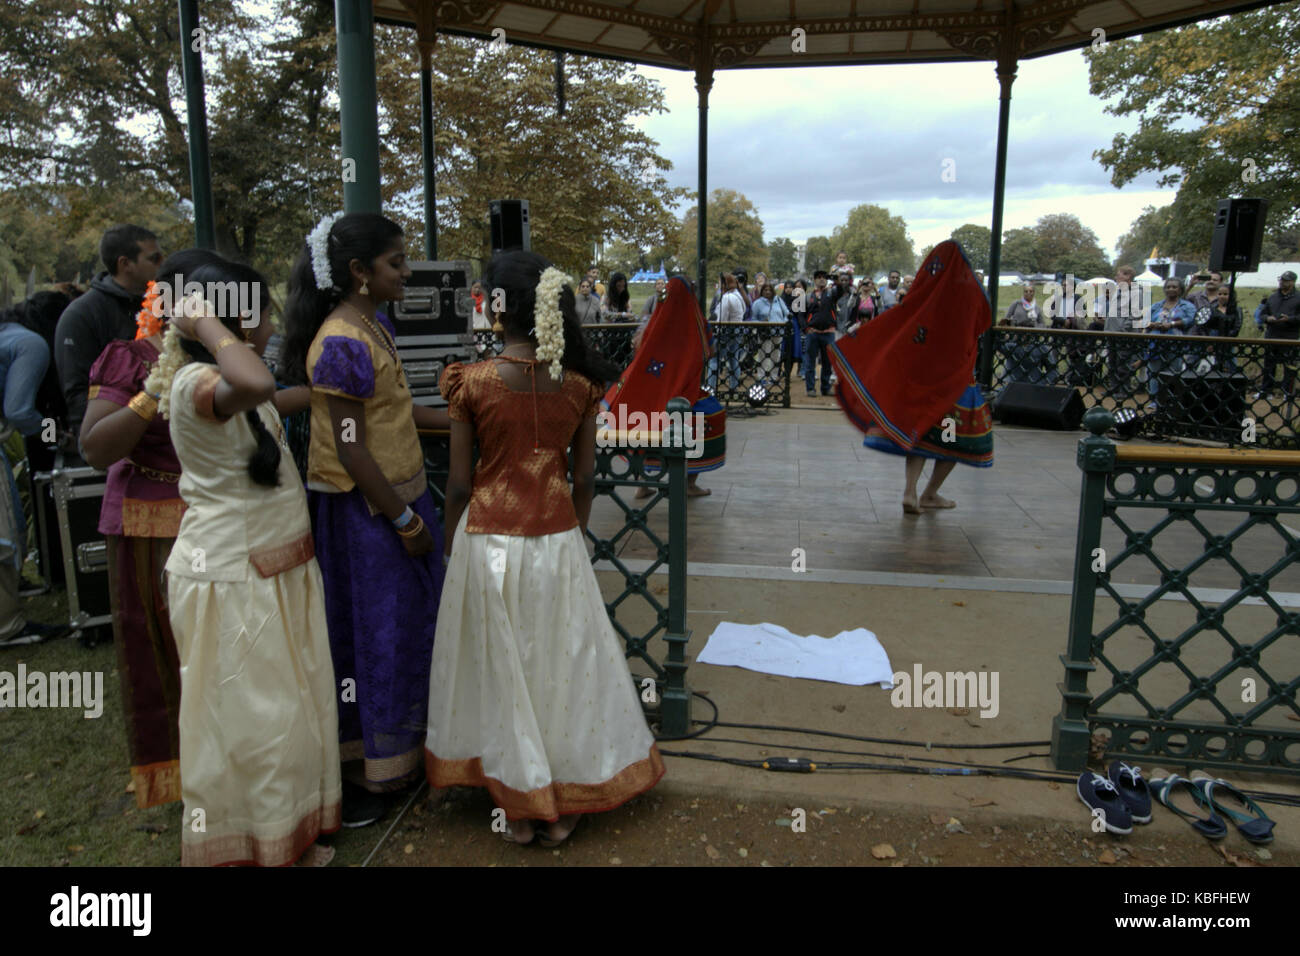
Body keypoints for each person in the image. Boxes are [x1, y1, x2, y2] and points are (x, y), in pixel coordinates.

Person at [428, 252, 665, 846]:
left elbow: (458, 483)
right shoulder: (580, 385)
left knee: (503, 667)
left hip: (486, 542)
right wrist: (573, 531)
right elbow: (585, 480)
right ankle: (564, 797)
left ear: (497, 308)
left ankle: (519, 798)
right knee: (562, 664)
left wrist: (454, 546)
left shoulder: (471, 382)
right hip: (557, 538)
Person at [146, 258, 340, 867]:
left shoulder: (222, 384)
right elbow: (255, 385)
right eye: (262, 311)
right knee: (260, 725)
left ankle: (283, 837)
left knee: (287, 714)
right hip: (232, 580)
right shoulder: (195, 383)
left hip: (270, 572)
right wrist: (205, 323)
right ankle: (256, 847)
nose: (272, 323)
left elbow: (267, 398)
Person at [282, 212, 448, 826]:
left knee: (405, 631)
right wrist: (403, 520)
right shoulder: (343, 339)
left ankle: (401, 758)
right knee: (374, 638)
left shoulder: (372, 325)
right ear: (359, 272)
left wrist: (468, 416)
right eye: (396, 262)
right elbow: (351, 443)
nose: (407, 272)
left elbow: (395, 416)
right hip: (366, 514)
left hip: (396, 502)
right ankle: (371, 770)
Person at [78, 248, 219, 807]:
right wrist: (157, 383)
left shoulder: (228, 354)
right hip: (150, 524)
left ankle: (232, 762)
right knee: (166, 653)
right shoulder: (129, 357)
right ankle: (185, 778)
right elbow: (94, 447)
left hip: (218, 518)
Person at [829, 240, 993, 514]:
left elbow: (902, 323)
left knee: (921, 437)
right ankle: (931, 493)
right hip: (955, 387)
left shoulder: (925, 293)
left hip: (924, 383)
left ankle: (910, 492)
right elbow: (983, 321)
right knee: (952, 442)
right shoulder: (966, 294)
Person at [0, 302, 68, 647]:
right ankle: (7, 625)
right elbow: (20, 410)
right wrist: (56, 436)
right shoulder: (32, 344)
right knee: (4, 528)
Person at [55, 225, 163, 441]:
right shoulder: (83, 315)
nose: (163, 265)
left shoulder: (164, 302)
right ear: (125, 264)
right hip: (121, 437)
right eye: (154, 259)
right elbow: (78, 394)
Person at [1143, 276, 1196, 410]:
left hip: (1175, 344)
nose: (1171, 289)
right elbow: (1145, 321)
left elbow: (1190, 320)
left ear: (1180, 289)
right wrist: (1152, 324)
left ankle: (1171, 398)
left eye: (1174, 287)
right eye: (1168, 287)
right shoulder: (1156, 306)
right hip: (1155, 343)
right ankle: (1154, 399)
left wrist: (1171, 324)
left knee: (1173, 371)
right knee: (1154, 372)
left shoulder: (1186, 306)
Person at [1256, 270, 1300, 400]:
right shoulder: (1273, 296)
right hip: (1271, 335)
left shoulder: (1299, 297)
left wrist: (1290, 319)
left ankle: (1288, 392)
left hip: (1290, 336)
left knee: (1289, 366)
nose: (1282, 282)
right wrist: (1267, 318)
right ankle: (1266, 390)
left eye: (1285, 280)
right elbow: (1262, 313)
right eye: (1281, 280)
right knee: (1269, 365)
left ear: (1292, 282)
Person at [1000, 283, 1049, 384]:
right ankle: (1009, 378)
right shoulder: (1016, 304)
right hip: (1016, 336)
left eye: (1031, 291)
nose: (1028, 293)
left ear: (1034, 293)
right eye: (1026, 291)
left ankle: (1032, 378)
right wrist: (1011, 326)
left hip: (1032, 338)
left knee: (1031, 358)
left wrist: (1035, 327)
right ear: (1023, 292)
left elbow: (1042, 323)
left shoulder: (1037, 308)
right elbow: (1007, 318)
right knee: (1014, 357)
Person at [707, 271, 746, 394]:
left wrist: (714, 330)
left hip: (726, 331)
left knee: (714, 360)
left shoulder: (727, 297)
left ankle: (710, 389)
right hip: (737, 330)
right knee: (733, 359)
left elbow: (721, 319)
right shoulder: (738, 295)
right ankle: (733, 387)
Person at [804, 270, 837, 396]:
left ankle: (825, 387)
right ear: (814, 280)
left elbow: (841, 289)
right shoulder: (806, 296)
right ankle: (810, 388)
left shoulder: (832, 294)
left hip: (828, 332)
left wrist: (834, 278)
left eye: (824, 277)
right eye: (818, 277)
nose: (821, 279)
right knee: (810, 362)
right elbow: (800, 315)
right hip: (812, 333)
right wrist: (806, 328)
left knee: (828, 362)